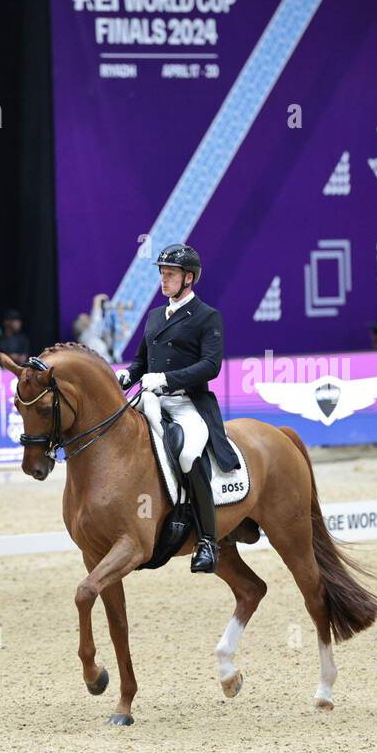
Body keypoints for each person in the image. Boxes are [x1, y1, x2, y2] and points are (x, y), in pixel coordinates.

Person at [117, 243, 239, 573]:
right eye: (161, 273)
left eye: (169, 274)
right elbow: (143, 360)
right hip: (153, 398)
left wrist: (168, 379)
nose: (163, 279)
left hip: (188, 403)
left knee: (187, 455)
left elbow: (211, 365)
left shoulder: (207, 316)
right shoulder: (156, 316)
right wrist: (128, 375)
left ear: (188, 278)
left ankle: (208, 542)